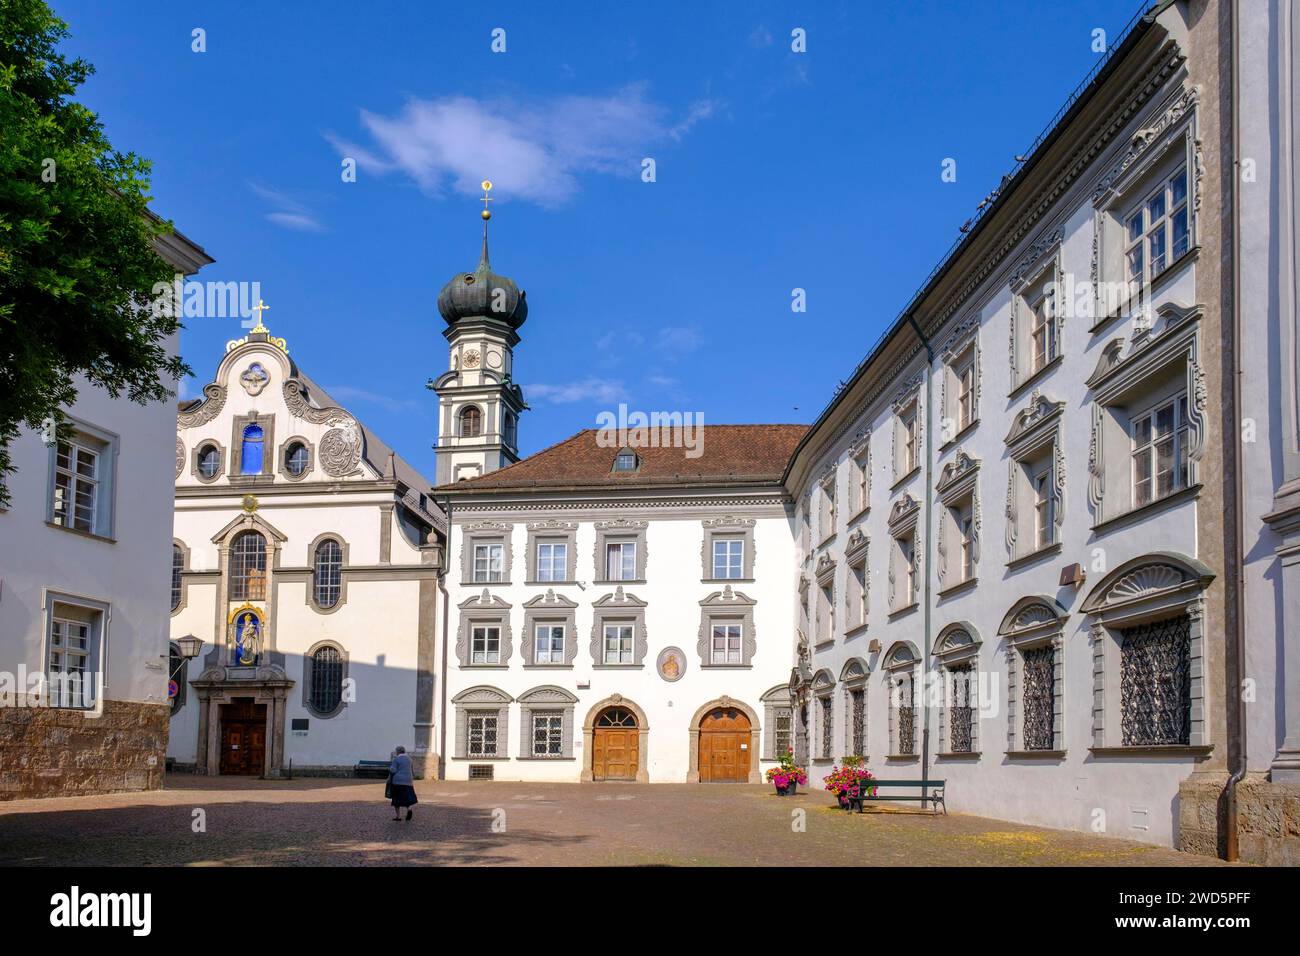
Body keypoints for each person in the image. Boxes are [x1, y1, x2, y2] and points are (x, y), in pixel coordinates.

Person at [388, 745, 417, 821]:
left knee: (396, 799)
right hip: (408, 781)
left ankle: (398, 816)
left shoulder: (396, 759)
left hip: (398, 781)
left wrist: (390, 768)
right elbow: (412, 770)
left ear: (398, 751)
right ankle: (409, 809)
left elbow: (393, 770)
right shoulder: (409, 759)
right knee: (407, 798)